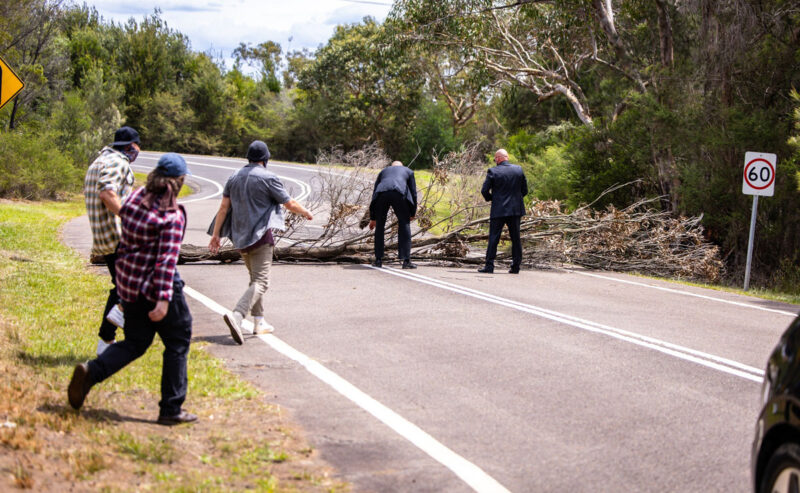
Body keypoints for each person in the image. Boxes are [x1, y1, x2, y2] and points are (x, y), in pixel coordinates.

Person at [69, 153, 197, 425]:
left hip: (130, 288)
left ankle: (92, 372)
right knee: (178, 340)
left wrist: (125, 295)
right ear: (179, 182)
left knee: (136, 342)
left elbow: (126, 241)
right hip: (158, 289)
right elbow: (165, 261)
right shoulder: (172, 215)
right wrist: (163, 301)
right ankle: (171, 409)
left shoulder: (135, 199)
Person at [208, 140, 313, 344]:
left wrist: (216, 235)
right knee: (262, 281)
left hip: (240, 238)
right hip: (261, 237)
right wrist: (306, 212)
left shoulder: (234, 177)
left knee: (254, 279)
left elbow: (223, 208)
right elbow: (288, 202)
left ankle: (259, 322)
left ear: (248, 158)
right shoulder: (268, 177)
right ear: (265, 159)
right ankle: (238, 316)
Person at [84, 126, 140, 356]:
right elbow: (107, 193)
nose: (138, 151)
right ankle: (119, 318)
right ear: (129, 147)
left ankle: (106, 342)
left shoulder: (98, 161)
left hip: (103, 236)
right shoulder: (118, 163)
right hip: (119, 235)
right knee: (136, 283)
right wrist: (129, 217)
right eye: (137, 146)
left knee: (121, 286)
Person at [478, 149, 529, 274]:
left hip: (498, 210)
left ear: (498, 158)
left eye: (495, 159)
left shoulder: (493, 171)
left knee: (494, 238)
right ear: (507, 157)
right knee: (516, 238)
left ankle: (489, 266)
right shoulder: (518, 170)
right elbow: (525, 190)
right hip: (515, 210)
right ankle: (516, 266)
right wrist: (516, 199)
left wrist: (492, 199)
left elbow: (484, 190)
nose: (495, 161)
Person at [368, 161, 418, 269]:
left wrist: (373, 217)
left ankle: (378, 260)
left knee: (380, 225)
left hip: (382, 194)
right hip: (398, 194)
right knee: (404, 224)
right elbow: (413, 193)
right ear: (402, 166)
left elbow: (374, 193)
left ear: (391, 166)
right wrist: (412, 212)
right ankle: (406, 260)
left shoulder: (383, 171)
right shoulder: (408, 171)